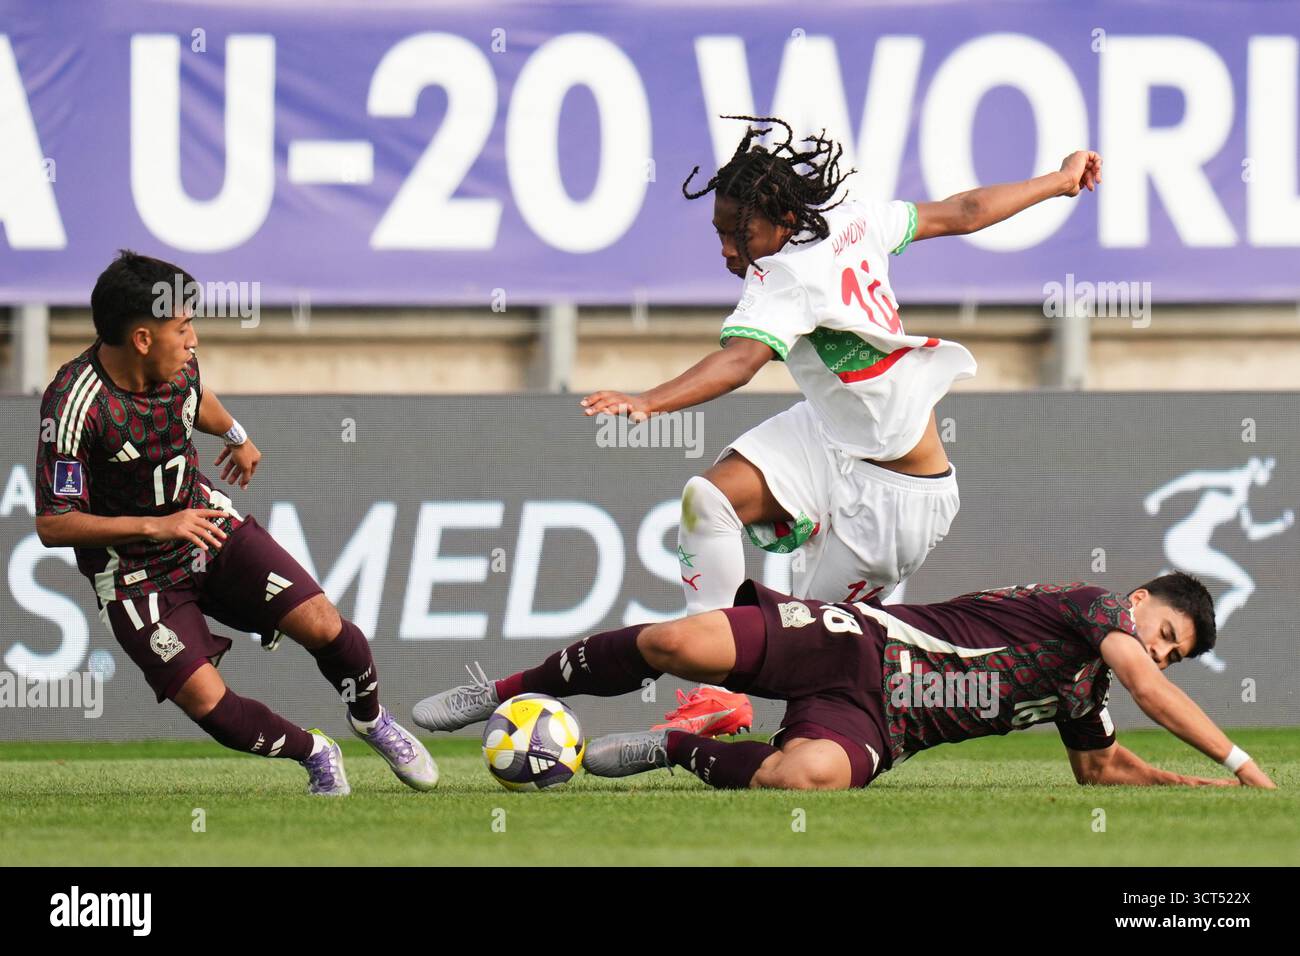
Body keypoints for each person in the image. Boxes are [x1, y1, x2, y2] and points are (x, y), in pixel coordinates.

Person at [581, 114, 1104, 735]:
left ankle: (854, 732)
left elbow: (741, 361)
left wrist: (650, 401)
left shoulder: (785, 277)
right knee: (709, 499)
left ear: (778, 217)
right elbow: (963, 211)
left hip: (896, 497)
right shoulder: (852, 221)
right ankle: (715, 695)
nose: (726, 249)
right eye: (718, 233)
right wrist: (1060, 180)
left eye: (736, 232)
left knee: (812, 648)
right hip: (831, 435)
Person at [34, 250, 437, 796]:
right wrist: (158, 527)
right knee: (208, 704)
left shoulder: (177, 362)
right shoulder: (74, 404)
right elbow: (54, 525)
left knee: (323, 624)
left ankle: (371, 720)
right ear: (142, 339)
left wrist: (235, 435)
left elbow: (195, 399)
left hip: (205, 529)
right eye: (183, 327)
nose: (194, 339)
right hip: (132, 573)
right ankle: (316, 752)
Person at [412, 572, 1274, 791]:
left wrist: (1198, 789)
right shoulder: (1092, 608)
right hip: (853, 645)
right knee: (678, 640)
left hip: (883, 728)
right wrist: (1239, 761)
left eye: (1171, 653)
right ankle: (504, 692)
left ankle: (679, 749)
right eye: (1163, 634)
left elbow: (1102, 770)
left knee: (806, 777)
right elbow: (1151, 696)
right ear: (1136, 605)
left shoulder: (1085, 694)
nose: (1156, 657)